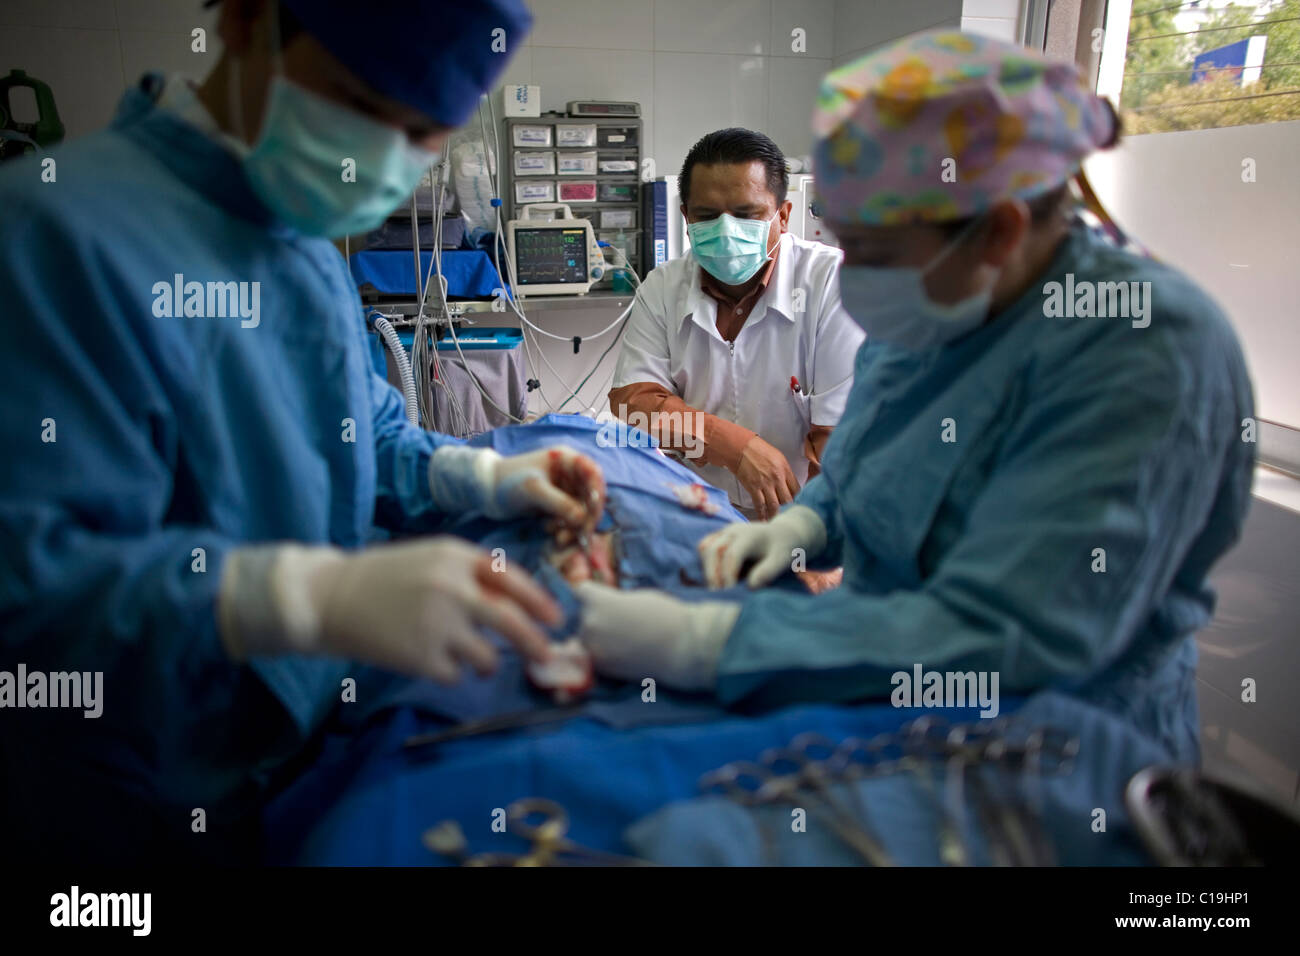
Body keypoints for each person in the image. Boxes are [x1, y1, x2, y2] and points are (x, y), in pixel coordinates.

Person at [0, 0, 607, 862]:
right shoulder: (50, 234)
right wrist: (299, 599)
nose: (383, 157)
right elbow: (32, 588)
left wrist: (481, 477)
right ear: (248, 21)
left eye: (424, 135)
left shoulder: (301, 235)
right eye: (360, 106)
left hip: (306, 760)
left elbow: (363, 433)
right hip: (134, 810)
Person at [575, 29, 1255, 765]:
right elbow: (862, 468)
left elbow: (1011, 632)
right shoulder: (935, 300)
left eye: (875, 253)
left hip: (1067, 753)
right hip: (893, 704)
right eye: (845, 237)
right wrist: (800, 529)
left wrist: (708, 641)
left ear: (998, 232)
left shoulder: (1143, 348)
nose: (855, 277)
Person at [608, 128, 865, 519]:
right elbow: (635, 405)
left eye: (746, 215)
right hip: (692, 510)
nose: (727, 232)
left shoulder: (832, 283)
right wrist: (733, 447)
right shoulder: (662, 287)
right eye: (707, 216)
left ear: (782, 214)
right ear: (686, 217)